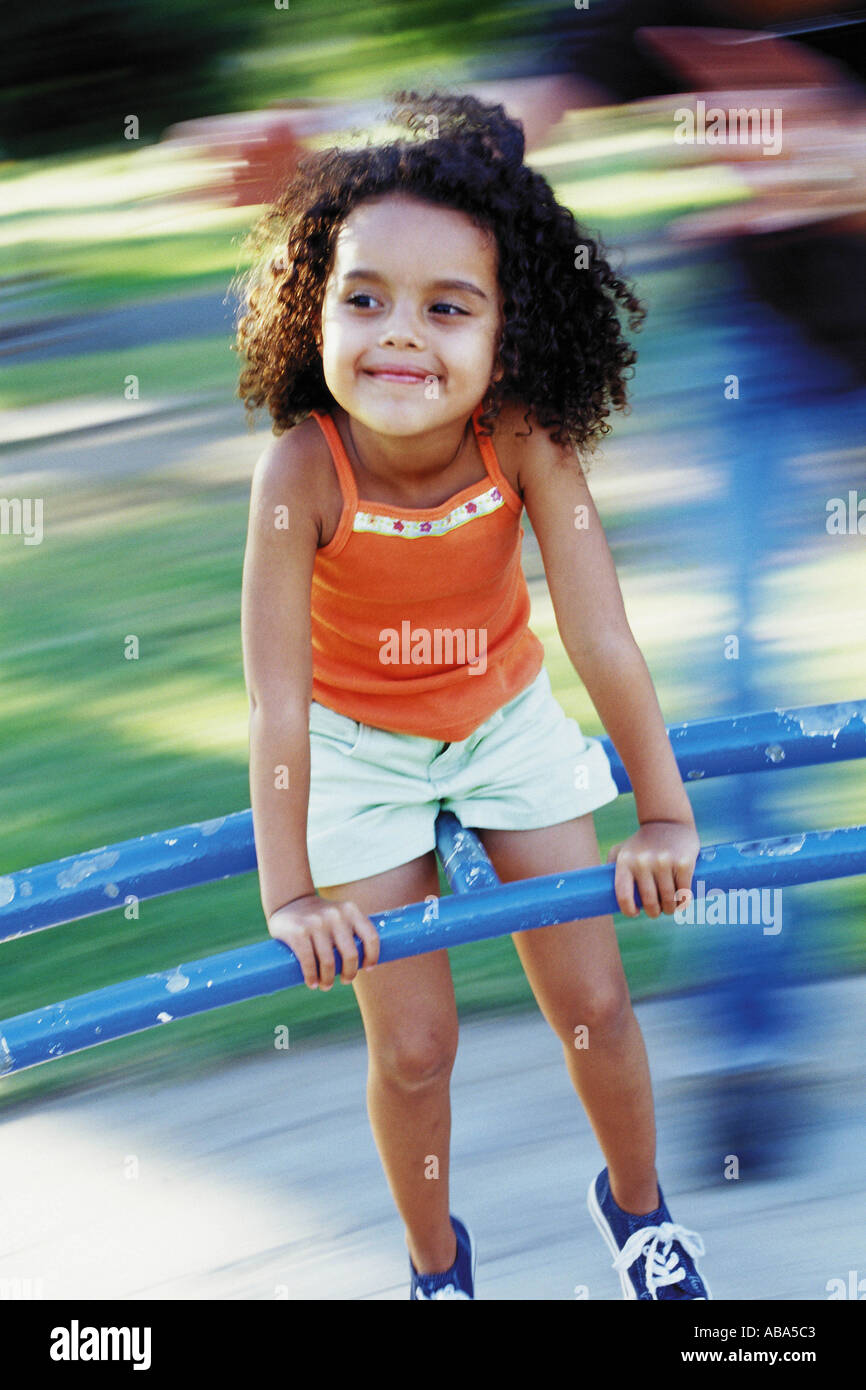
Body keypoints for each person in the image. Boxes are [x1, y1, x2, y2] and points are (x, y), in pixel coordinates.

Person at [235, 90, 711, 1301]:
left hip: (501, 721)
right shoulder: (301, 471)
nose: (400, 335)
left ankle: (639, 1212)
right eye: (364, 299)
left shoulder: (524, 438)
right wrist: (290, 893)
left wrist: (662, 814)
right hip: (354, 746)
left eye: (447, 307)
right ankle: (436, 1267)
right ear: (313, 308)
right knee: (413, 1047)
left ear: (511, 332)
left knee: (594, 999)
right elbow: (277, 702)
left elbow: (600, 636)